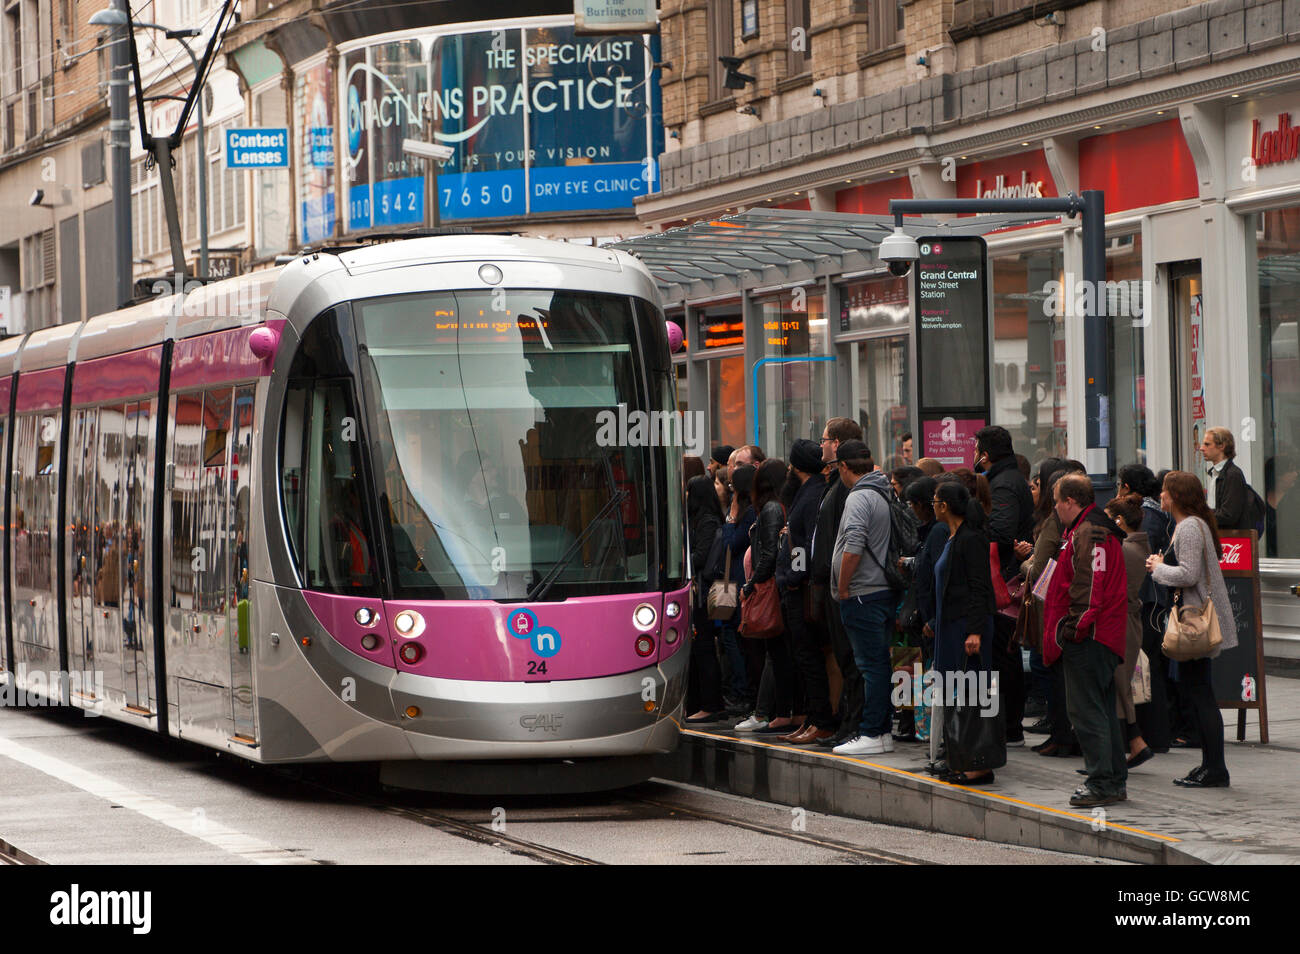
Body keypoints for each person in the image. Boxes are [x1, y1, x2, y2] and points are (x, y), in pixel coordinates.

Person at [1147, 471, 1239, 788]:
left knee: (1200, 694)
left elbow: (1188, 574)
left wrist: (1158, 569)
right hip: (1195, 617)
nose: (1161, 496)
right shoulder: (1195, 524)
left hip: (1194, 620)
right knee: (1199, 692)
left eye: (1164, 491)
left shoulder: (1188, 527)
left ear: (1175, 495)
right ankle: (1210, 766)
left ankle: (1215, 768)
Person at [1043, 474, 1129, 807]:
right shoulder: (1089, 529)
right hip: (1098, 634)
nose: (1054, 509)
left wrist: (1074, 628)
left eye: (1056, 502)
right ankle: (1112, 779)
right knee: (1102, 710)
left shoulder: (1090, 532)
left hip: (1091, 636)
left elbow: (1093, 585)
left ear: (1069, 502)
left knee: (1087, 711)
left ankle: (1102, 782)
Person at [830, 439, 897, 756]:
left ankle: (873, 731)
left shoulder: (859, 497)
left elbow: (854, 544)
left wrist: (843, 588)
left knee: (871, 666)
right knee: (879, 664)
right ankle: (881, 730)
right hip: (879, 590)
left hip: (862, 593)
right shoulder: (882, 491)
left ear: (843, 467)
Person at [931, 481, 998, 784]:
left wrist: (975, 631)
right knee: (955, 694)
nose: (932, 505)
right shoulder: (952, 537)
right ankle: (959, 757)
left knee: (974, 693)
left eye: (935, 501)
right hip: (950, 626)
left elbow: (979, 587)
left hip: (966, 629)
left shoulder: (971, 539)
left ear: (944, 505)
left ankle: (980, 763)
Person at [974, 425, 1034, 746]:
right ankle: (1008, 724)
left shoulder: (1004, 485)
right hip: (1005, 579)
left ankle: (1009, 727)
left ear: (985, 454)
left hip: (1004, 583)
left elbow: (1000, 530)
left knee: (1002, 656)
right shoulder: (1003, 480)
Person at [811, 417, 867, 748]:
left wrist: (842, 585)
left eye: (824, 440)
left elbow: (850, 541)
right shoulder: (834, 484)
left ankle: (856, 724)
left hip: (846, 587)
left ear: (837, 445)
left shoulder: (849, 489)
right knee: (846, 658)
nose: (820, 445)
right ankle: (848, 721)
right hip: (834, 585)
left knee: (853, 659)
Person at [777, 440, 834, 743]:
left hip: (801, 588)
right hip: (796, 584)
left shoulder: (811, 495)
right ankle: (813, 718)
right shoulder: (809, 491)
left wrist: (794, 575)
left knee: (808, 655)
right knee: (803, 656)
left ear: (796, 467)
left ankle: (821, 718)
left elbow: (804, 541)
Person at [1117, 462, 1175, 751]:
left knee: (1146, 668)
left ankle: (1153, 736)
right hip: (1155, 600)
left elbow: (1142, 562)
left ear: (1127, 487)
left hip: (1148, 601)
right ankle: (1152, 735)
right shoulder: (1157, 513)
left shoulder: (1147, 517)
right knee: (1149, 667)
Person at [739, 459, 798, 735]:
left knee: (775, 653)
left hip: (770, 589)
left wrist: (751, 584)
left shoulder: (772, 509)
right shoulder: (777, 507)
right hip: (776, 586)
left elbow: (769, 555)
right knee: (778, 653)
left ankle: (768, 712)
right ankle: (783, 711)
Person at [1104, 493, 1155, 770]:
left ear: (1119, 521)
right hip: (1128, 621)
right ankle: (1134, 744)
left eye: (1107, 518)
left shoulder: (1124, 549)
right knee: (1120, 687)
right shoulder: (1136, 546)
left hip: (1122, 622)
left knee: (1119, 686)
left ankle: (1127, 748)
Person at [685, 475, 727, 723]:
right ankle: (700, 703)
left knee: (705, 648)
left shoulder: (707, 521)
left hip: (707, 590)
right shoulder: (699, 519)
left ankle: (711, 705)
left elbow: (700, 556)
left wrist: (678, 561)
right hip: (703, 589)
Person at [720, 463, 758, 716]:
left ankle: (742, 691)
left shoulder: (749, 513)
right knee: (724, 633)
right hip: (724, 583)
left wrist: (731, 519)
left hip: (734, 582)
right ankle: (737, 688)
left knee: (734, 636)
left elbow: (731, 544)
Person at [1201, 426, 1259, 532]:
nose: (1202, 448)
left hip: (1231, 540)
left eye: (1207, 444)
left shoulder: (1232, 475)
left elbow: (1228, 515)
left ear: (1222, 446)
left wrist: (1201, 514)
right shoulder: (1216, 473)